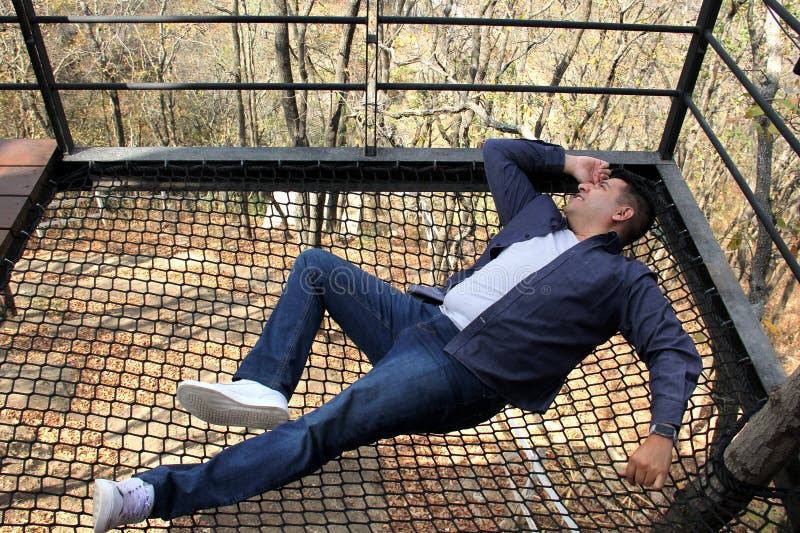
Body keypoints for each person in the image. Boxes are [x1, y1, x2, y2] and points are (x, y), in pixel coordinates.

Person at [92, 138, 702, 532]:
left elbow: (673, 349)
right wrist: (569, 162)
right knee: (317, 267)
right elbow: (500, 153)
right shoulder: (536, 217)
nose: (586, 187)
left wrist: (663, 432)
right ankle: (263, 386)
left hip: (463, 371)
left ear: (622, 213)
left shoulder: (624, 279)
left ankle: (151, 495)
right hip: (419, 323)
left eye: (601, 186)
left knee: (325, 427)